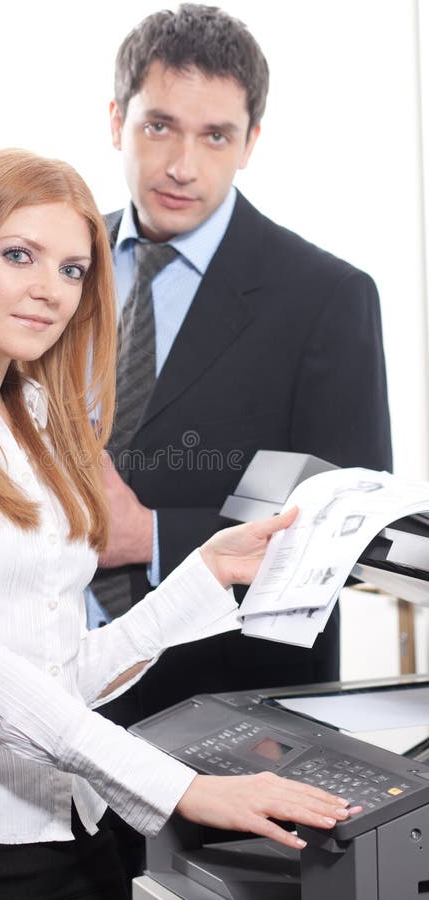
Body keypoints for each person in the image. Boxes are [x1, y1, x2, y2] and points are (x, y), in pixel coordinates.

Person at [0, 149, 359, 900]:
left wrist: (205, 574)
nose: (50, 291)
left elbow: (59, 675)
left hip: (75, 829)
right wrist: (181, 790)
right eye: (20, 255)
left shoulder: (32, 414)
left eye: (72, 270)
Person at [89, 3, 393, 720]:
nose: (181, 166)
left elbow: (349, 528)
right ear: (115, 121)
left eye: (215, 135)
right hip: (38, 698)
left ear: (251, 141)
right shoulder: (57, 269)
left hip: (225, 705)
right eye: (158, 125)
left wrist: (151, 537)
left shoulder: (326, 298)